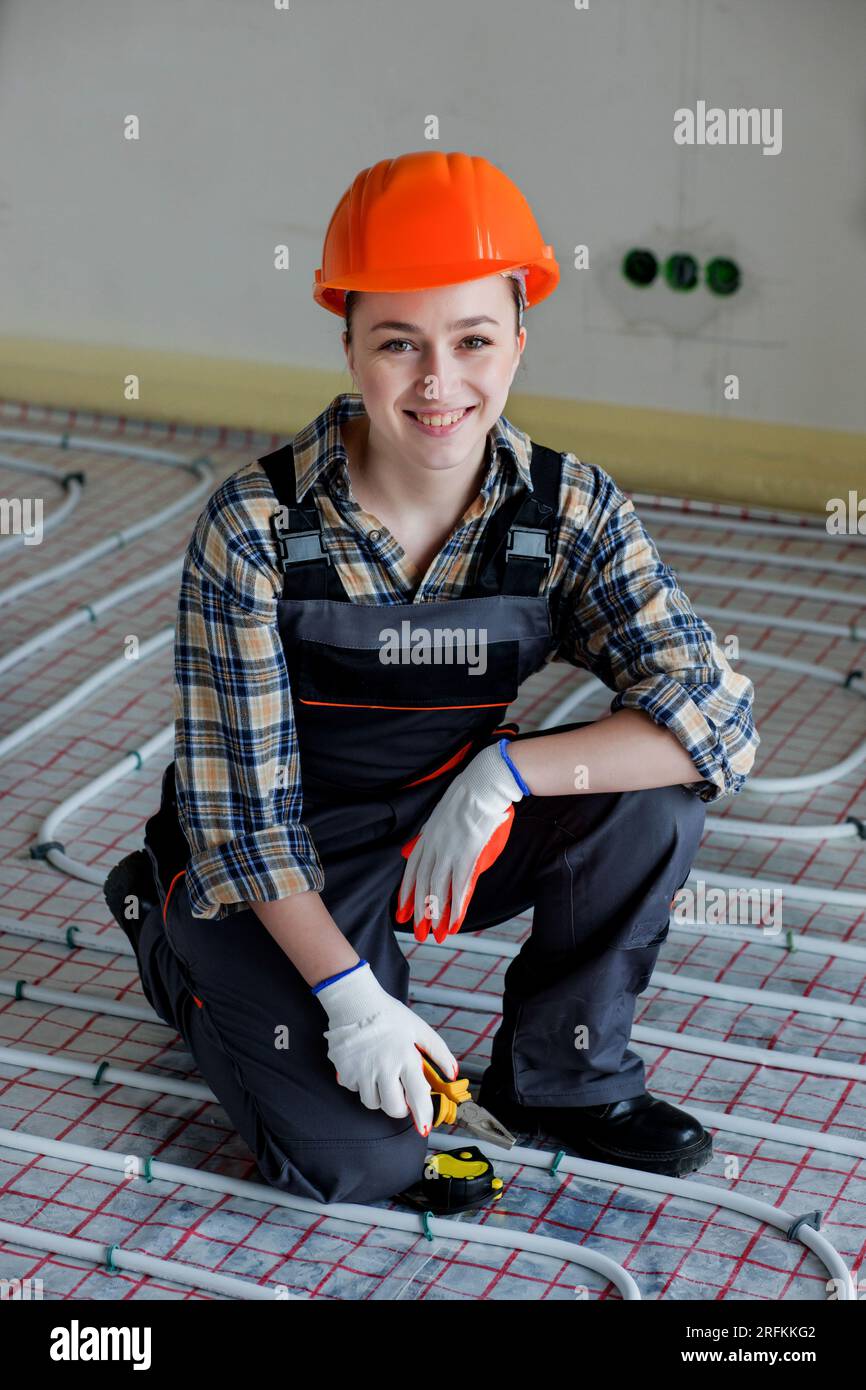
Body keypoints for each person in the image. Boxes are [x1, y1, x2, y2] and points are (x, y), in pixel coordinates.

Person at [104, 151, 759, 1205]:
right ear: (351, 345)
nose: (438, 384)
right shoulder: (256, 529)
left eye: (472, 341)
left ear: (517, 345)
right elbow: (247, 823)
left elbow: (712, 712)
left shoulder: (566, 511)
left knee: (647, 795)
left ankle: (565, 1076)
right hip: (278, 865)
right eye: (398, 343)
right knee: (362, 1161)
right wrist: (350, 1001)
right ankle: (176, 953)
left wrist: (504, 770)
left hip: (441, 835)